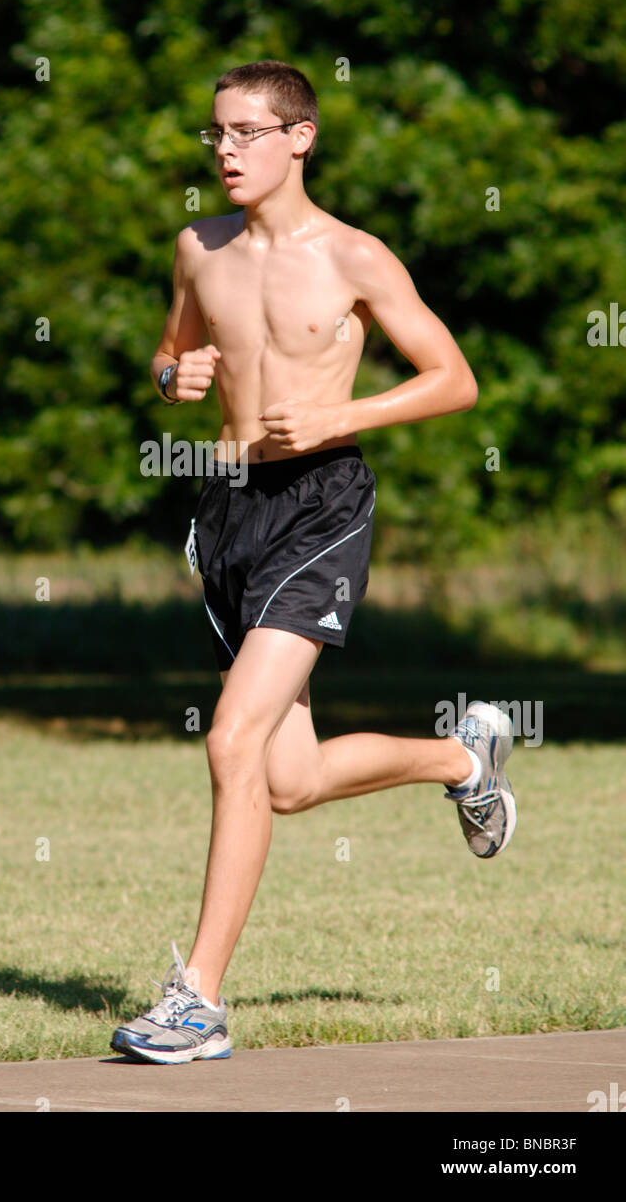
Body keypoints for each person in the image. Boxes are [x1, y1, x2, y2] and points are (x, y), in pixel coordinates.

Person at [111, 59, 516, 1066]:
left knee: (229, 743)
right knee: (283, 779)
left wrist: (342, 413)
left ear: (299, 138)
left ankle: (194, 1000)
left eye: (246, 132)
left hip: (321, 508)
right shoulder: (197, 247)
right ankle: (464, 760)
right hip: (230, 514)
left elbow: (451, 379)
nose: (225, 151)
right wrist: (175, 378)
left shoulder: (352, 257)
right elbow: (168, 356)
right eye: (214, 133)